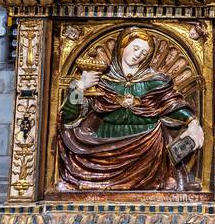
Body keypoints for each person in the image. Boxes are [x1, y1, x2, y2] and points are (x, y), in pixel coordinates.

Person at [56, 29, 202, 191]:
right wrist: (81, 86)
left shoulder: (156, 81)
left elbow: (172, 105)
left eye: (145, 52)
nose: (139, 55)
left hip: (147, 145)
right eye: (136, 48)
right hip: (105, 144)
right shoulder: (102, 81)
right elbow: (69, 117)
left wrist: (193, 123)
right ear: (122, 47)